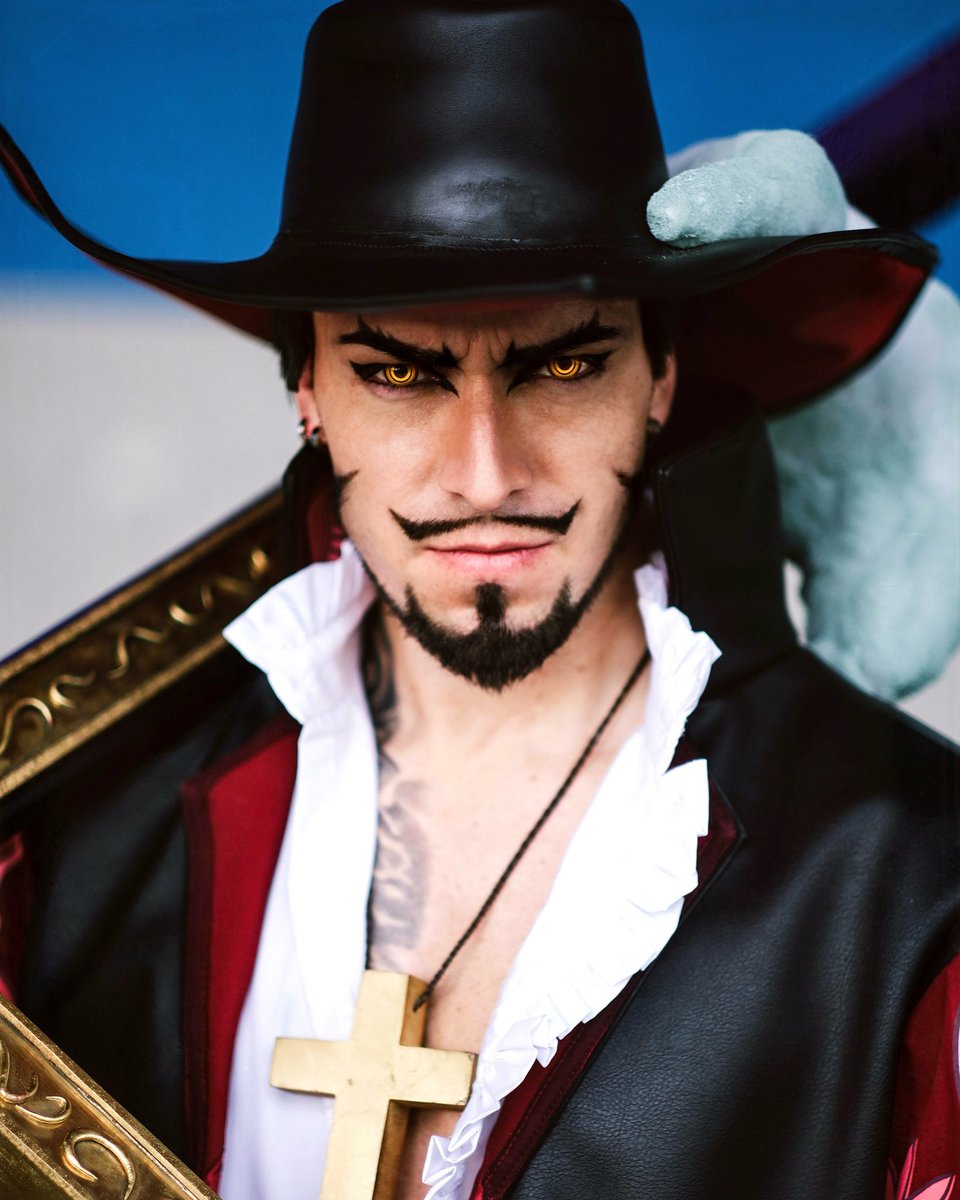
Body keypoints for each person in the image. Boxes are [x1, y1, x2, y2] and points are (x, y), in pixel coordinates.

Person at [0, 2, 956, 1197]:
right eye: (400, 373)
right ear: (308, 389)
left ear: (661, 377)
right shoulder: (78, 843)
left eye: (564, 364)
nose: (488, 473)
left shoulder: (915, 886)